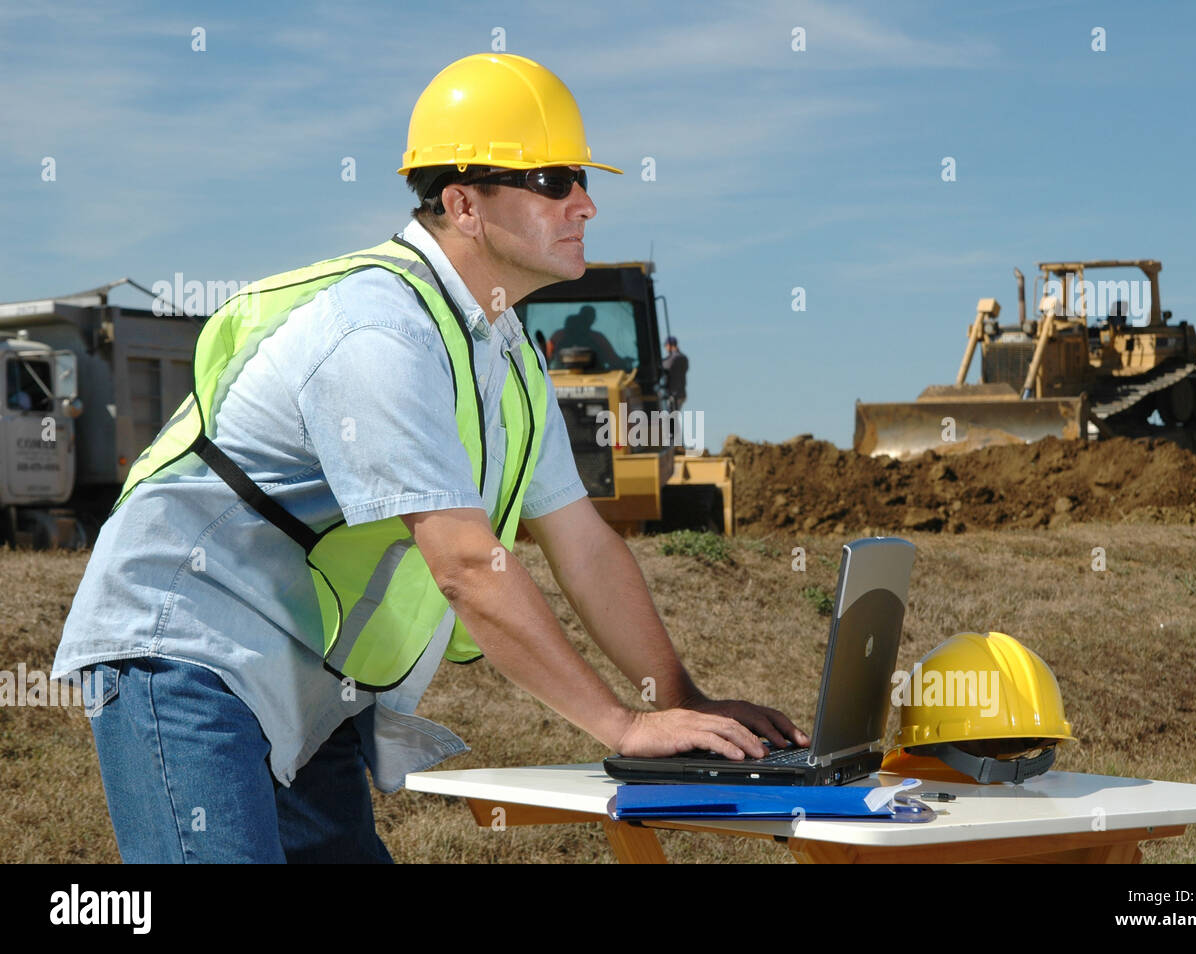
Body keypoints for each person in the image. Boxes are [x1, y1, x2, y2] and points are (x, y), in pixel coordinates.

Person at [51, 52, 806, 864]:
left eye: (581, 180)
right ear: (463, 203)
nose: (586, 203)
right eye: (554, 181)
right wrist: (621, 727)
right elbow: (467, 567)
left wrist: (680, 701)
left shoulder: (505, 349)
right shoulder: (381, 333)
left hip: (306, 671)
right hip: (185, 653)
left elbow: (583, 542)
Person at [663, 336, 688, 408]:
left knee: (670, 417)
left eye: (666, 346)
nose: (666, 348)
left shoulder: (672, 358)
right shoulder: (684, 358)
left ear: (669, 345)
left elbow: (663, 367)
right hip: (682, 393)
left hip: (673, 394)